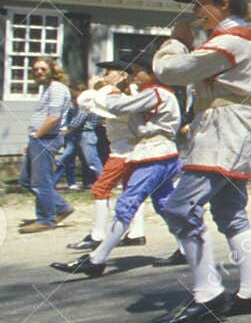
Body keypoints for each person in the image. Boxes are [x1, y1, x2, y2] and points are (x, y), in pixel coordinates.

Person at [152, 0, 251, 323]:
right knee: (230, 211)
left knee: (179, 208)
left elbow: (169, 71)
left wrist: (176, 42)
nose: (194, 12)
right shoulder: (234, 39)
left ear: (222, 4)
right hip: (232, 133)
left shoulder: (231, 41)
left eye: (200, 4)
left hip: (223, 136)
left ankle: (209, 294)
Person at [52, 59, 183, 278]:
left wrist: (100, 91)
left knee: (127, 202)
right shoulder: (153, 93)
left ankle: (97, 258)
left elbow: (118, 107)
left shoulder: (155, 93)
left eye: (138, 72)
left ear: (153, 73)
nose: (135, 76)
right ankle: (187, 247)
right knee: (164, 204)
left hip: (154, 154)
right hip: (160, 153)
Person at [70, 60, 151, 252]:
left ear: (122, 75)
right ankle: (136, 233)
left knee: (101, 188)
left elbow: (86, 103)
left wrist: (93, 88)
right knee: (131, 190)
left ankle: (98, 234)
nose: (104, 76)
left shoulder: (120, 96)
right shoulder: (129, 94)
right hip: (129, 149)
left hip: (122, 150)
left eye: (109, 72)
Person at [19, 57, 75, 234]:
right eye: (36, 69)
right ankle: (61, 207)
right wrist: (31, 141)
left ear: (52, 69)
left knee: (40, 181)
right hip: (38, 139)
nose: (39, 73)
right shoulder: (48, 89)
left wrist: (38, 135)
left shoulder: (57, 88)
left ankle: (46, 219)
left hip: (46, 138)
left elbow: (54, 117)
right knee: (26, 179)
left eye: (43, 69)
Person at [55, 86, 101, 189]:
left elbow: (78, 121)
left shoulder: (86, 107)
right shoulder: (93, 106)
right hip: (86, 134)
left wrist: (67, 129)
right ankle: (100, 182)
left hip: (86, 134)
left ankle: (103, 183)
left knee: (92, 161)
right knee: (91, 160)